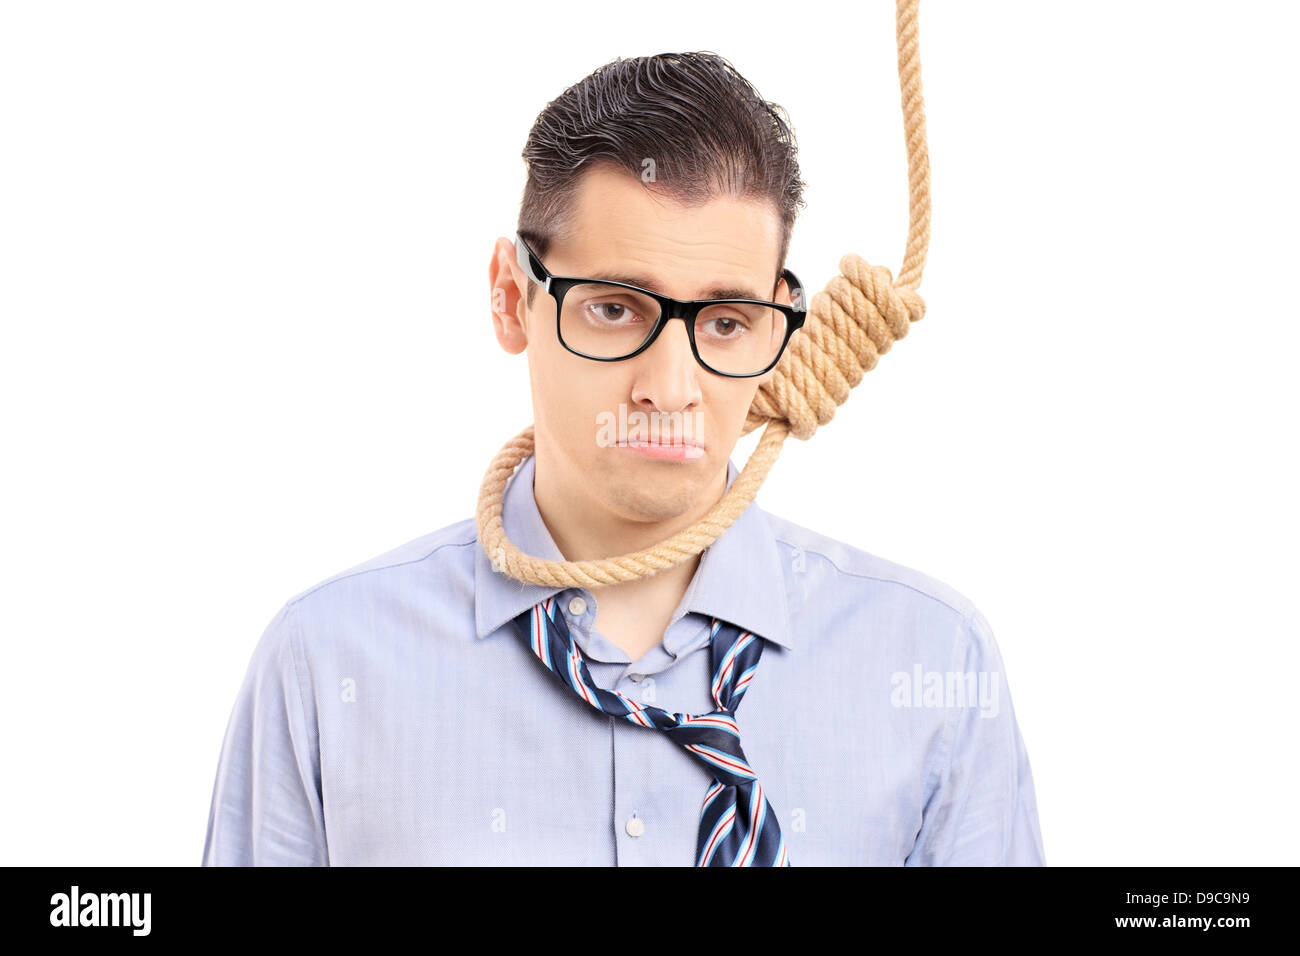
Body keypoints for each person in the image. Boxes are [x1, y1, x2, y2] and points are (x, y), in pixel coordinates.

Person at [202, 51, 1045, 866]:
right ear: (510, 298)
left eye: (725, 322)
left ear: (782, 322)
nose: (670, 388)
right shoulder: (325, 665)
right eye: (614, 309)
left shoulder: (934, 665)